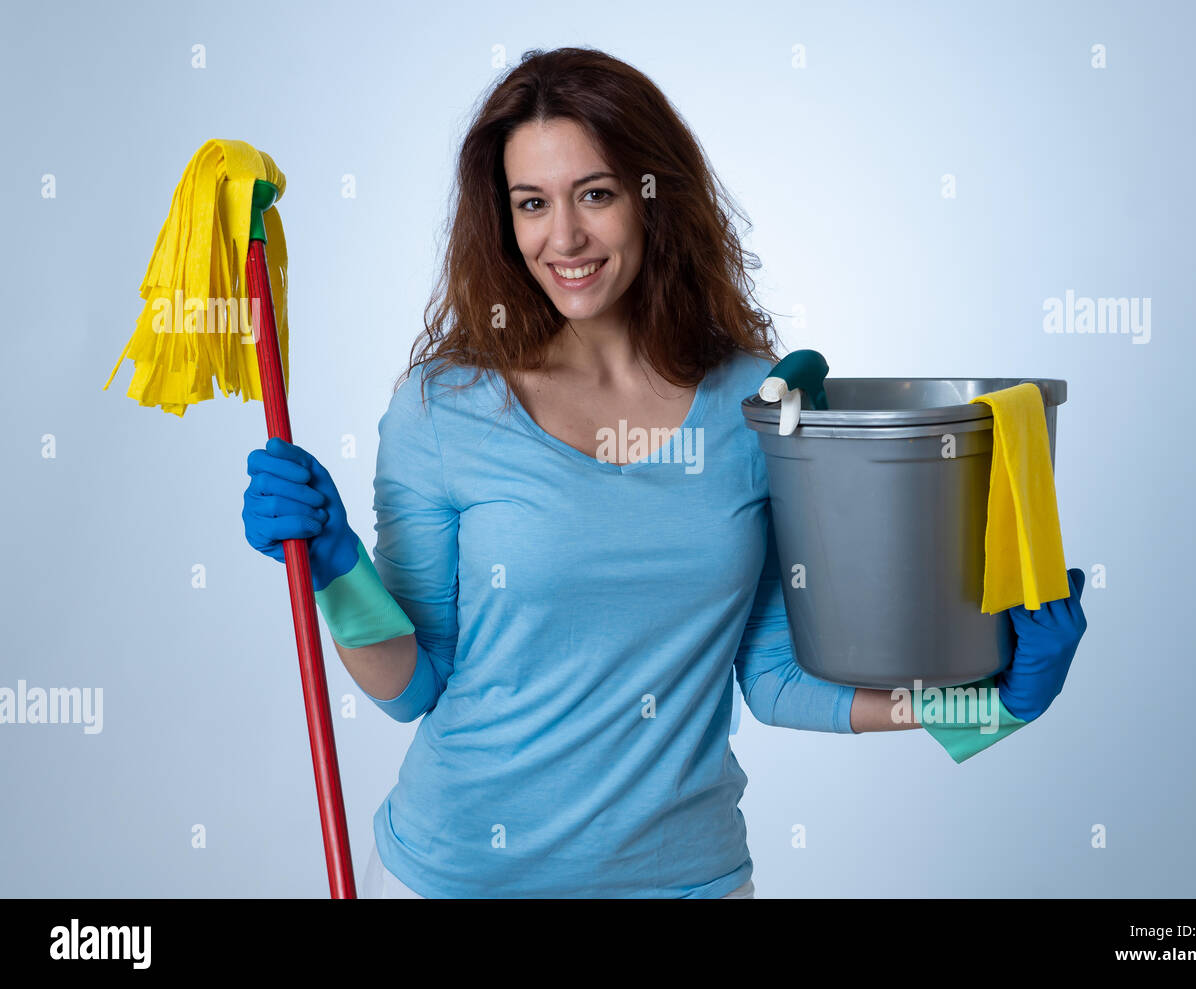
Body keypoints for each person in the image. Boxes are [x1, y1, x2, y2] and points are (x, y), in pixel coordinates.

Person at [242, 47, 1087, 899]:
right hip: (456, 876)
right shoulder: (443, 407)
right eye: (532, 203)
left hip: (686, 882)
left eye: (596, 194)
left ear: (654, 199)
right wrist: (337, 567)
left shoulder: (755, 406)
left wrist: (982, 704)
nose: (563, 237)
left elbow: (777, 679)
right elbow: (412, 683)